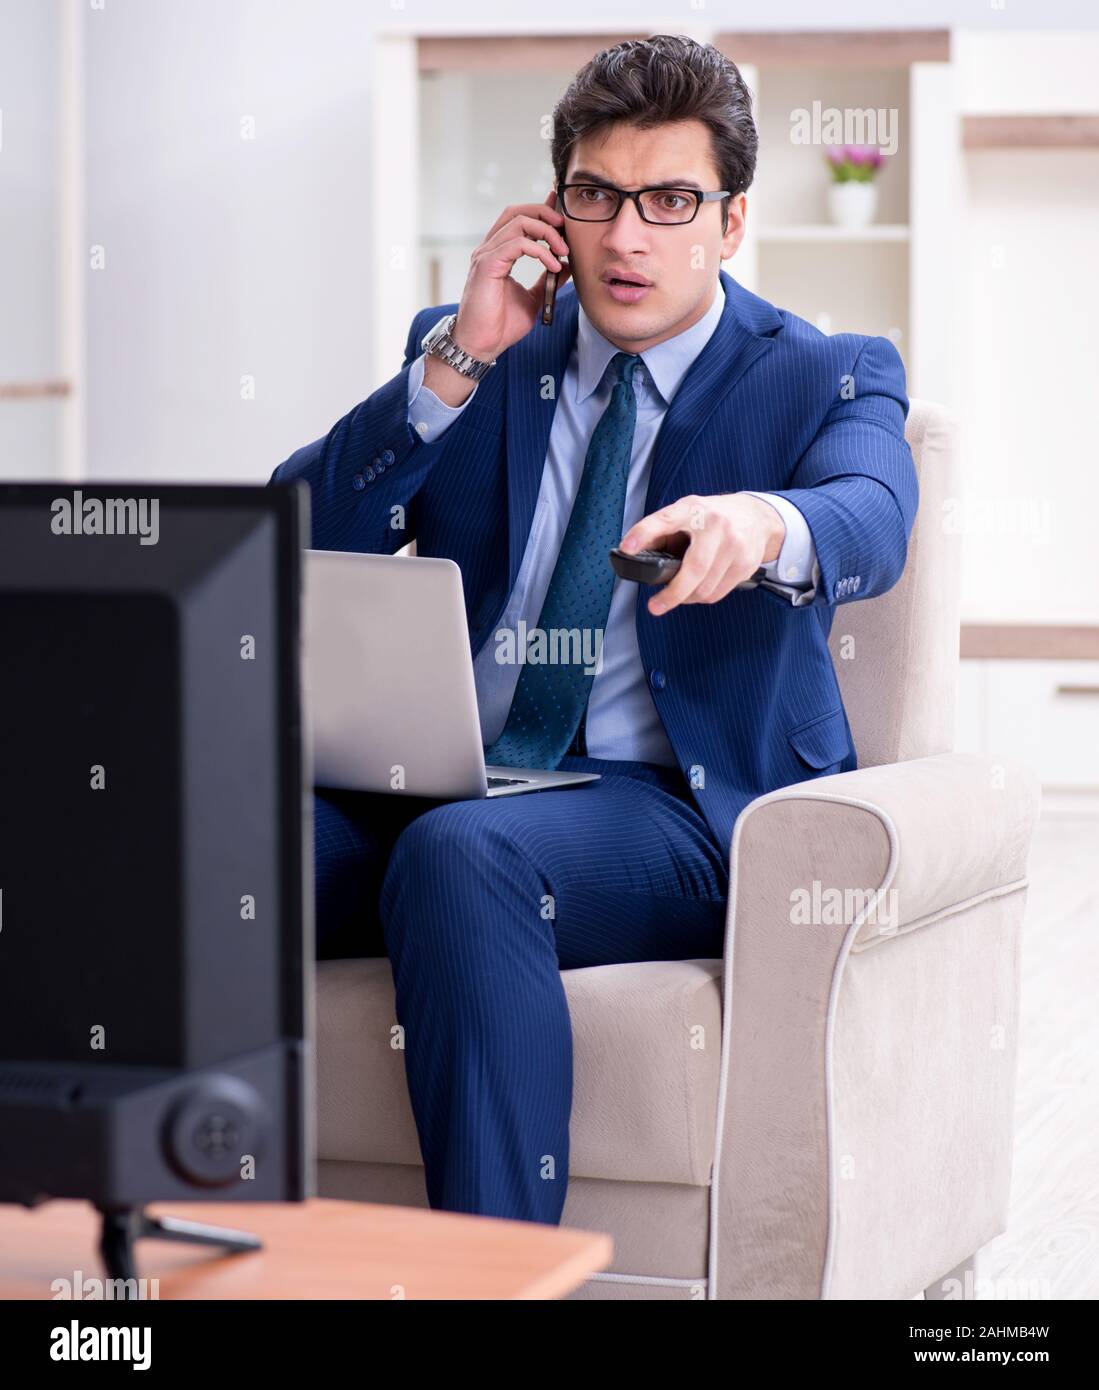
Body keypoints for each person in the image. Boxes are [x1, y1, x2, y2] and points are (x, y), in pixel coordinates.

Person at [270, 33, 918, 1225]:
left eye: (670, 200)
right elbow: (287, 539)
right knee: (190, 836)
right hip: (450, 776)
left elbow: (872, 515)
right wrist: (455, 363)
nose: (626, 237)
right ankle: (141, 1244)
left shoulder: (822, 370)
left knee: (462, 856)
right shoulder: (479, 345)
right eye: (596, 196)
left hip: (665, 805)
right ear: (552, 208)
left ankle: (499, 1277)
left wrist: (765, 521)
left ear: (729, 224)